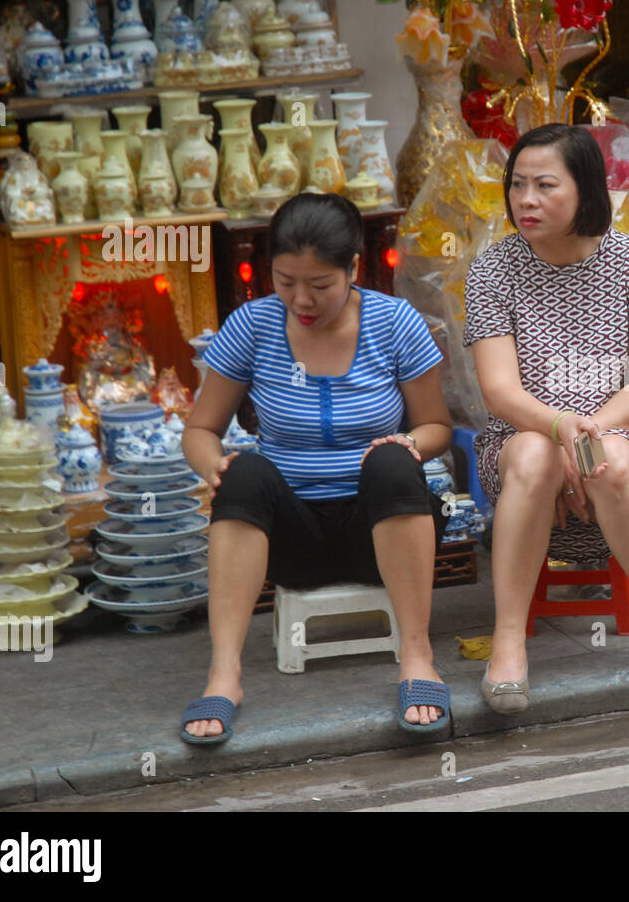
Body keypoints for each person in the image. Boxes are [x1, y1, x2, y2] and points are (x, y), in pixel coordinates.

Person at [180, 193, 454, 743]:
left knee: (394, 461)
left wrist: (406, 443)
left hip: (379, 529)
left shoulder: (394, 322)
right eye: (285, 281)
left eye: (321, 285)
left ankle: (418, 658)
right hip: (292, 538)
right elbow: (200, 430)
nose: (301, 299)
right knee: (245, 471)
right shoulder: (252, 326)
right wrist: (214, 466)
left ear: (353, 268)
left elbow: (437, 428)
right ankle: (224, 674)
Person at [463, 123, 629, 713]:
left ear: (587, 189)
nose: (526, 199)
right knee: (530, 452)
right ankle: (508, 641)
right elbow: (499, 391)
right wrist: (559, 429)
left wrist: (586, 433)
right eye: (517, 185)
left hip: (619, 435)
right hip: (524, 440)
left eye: (545, 185)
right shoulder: (492, 270)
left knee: (612, 462)